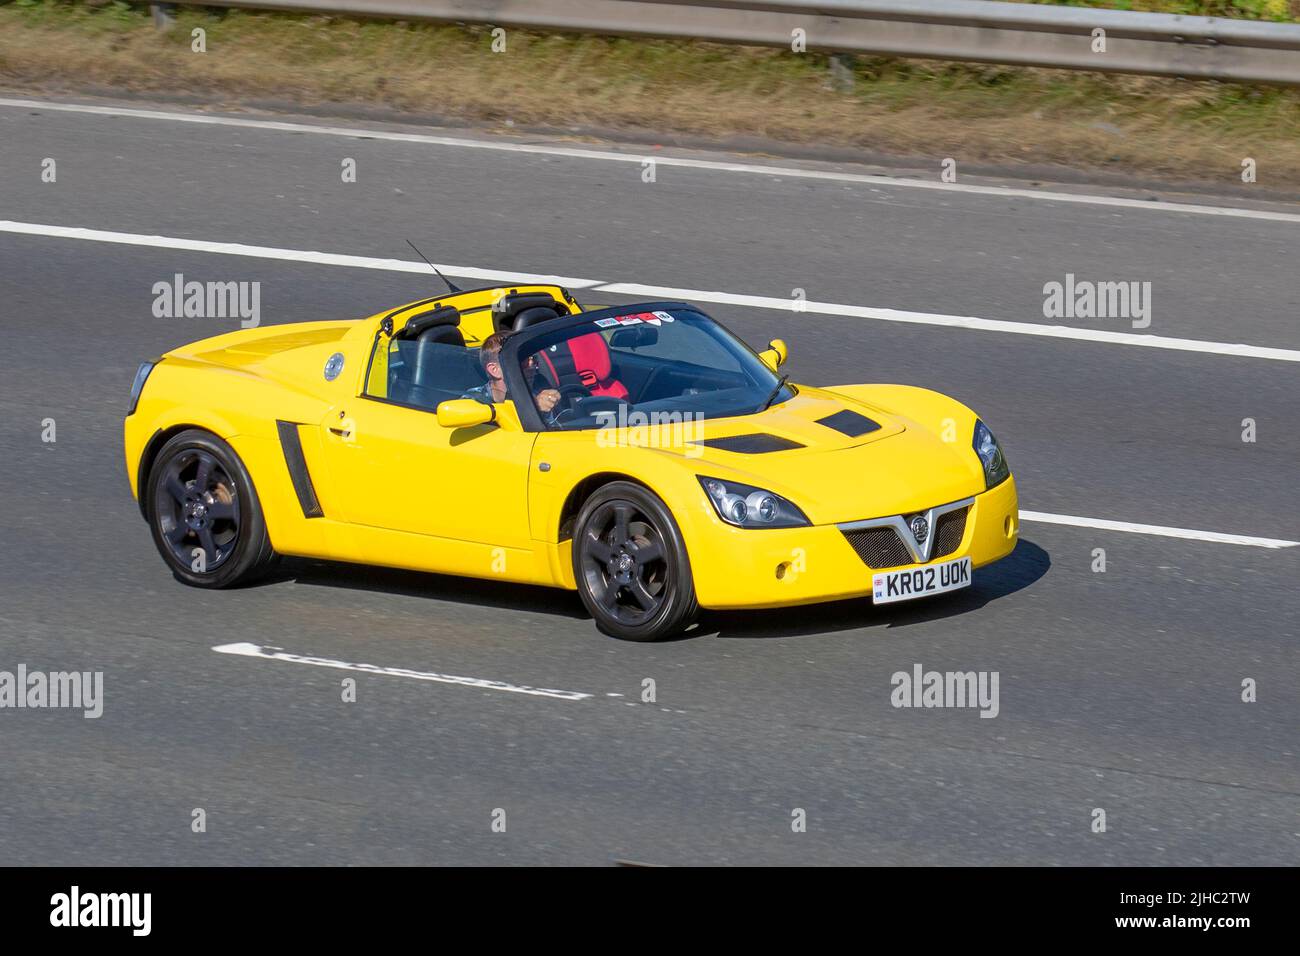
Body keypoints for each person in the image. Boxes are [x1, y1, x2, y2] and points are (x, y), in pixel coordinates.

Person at [463, 331, 562, 417]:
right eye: (522, 360)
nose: (531, 365)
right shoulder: (474, 402)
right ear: (495, 370)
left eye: (533, 359)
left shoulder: (539, 385)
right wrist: (533, 407)